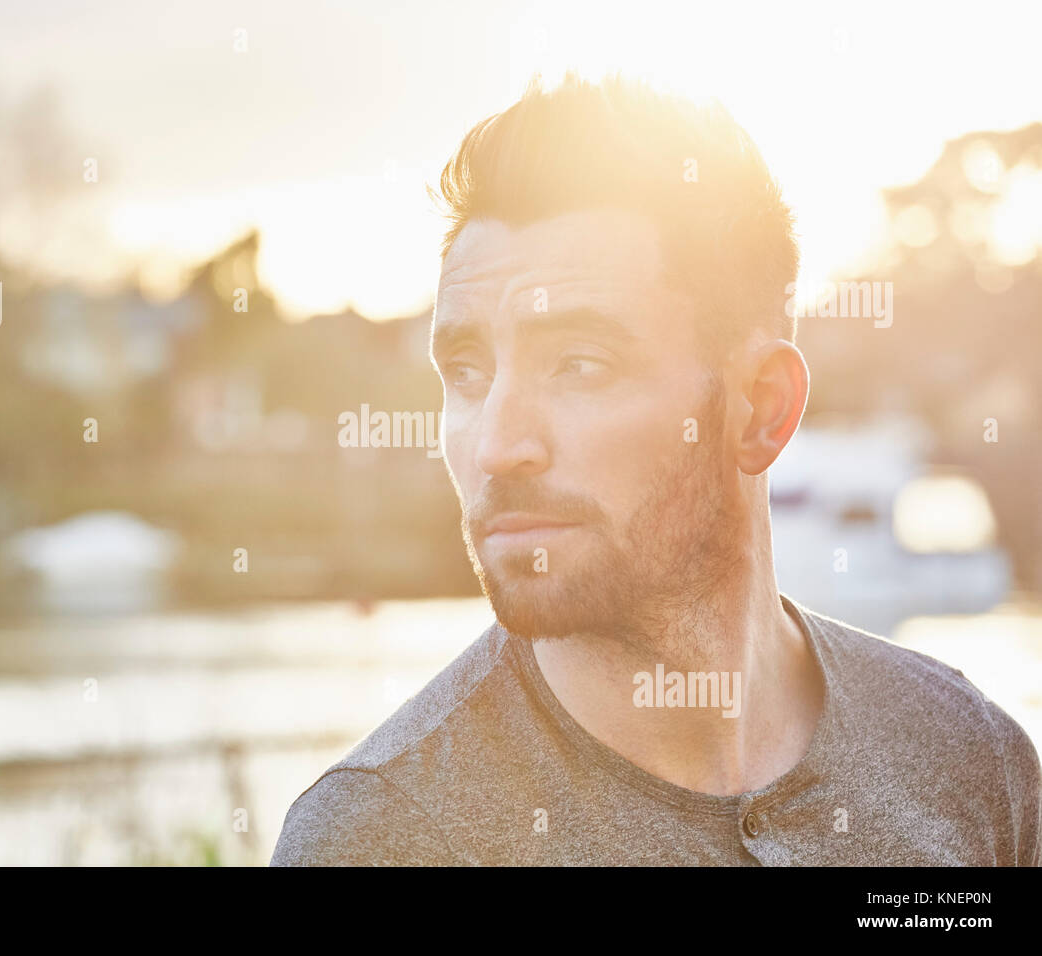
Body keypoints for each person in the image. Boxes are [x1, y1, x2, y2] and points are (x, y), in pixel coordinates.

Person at [271, 73, 1041, 866]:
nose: (497, 445)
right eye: (467, 372)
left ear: (761, 407)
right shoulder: (378, 840)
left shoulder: (973, 763)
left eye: (579, 364)